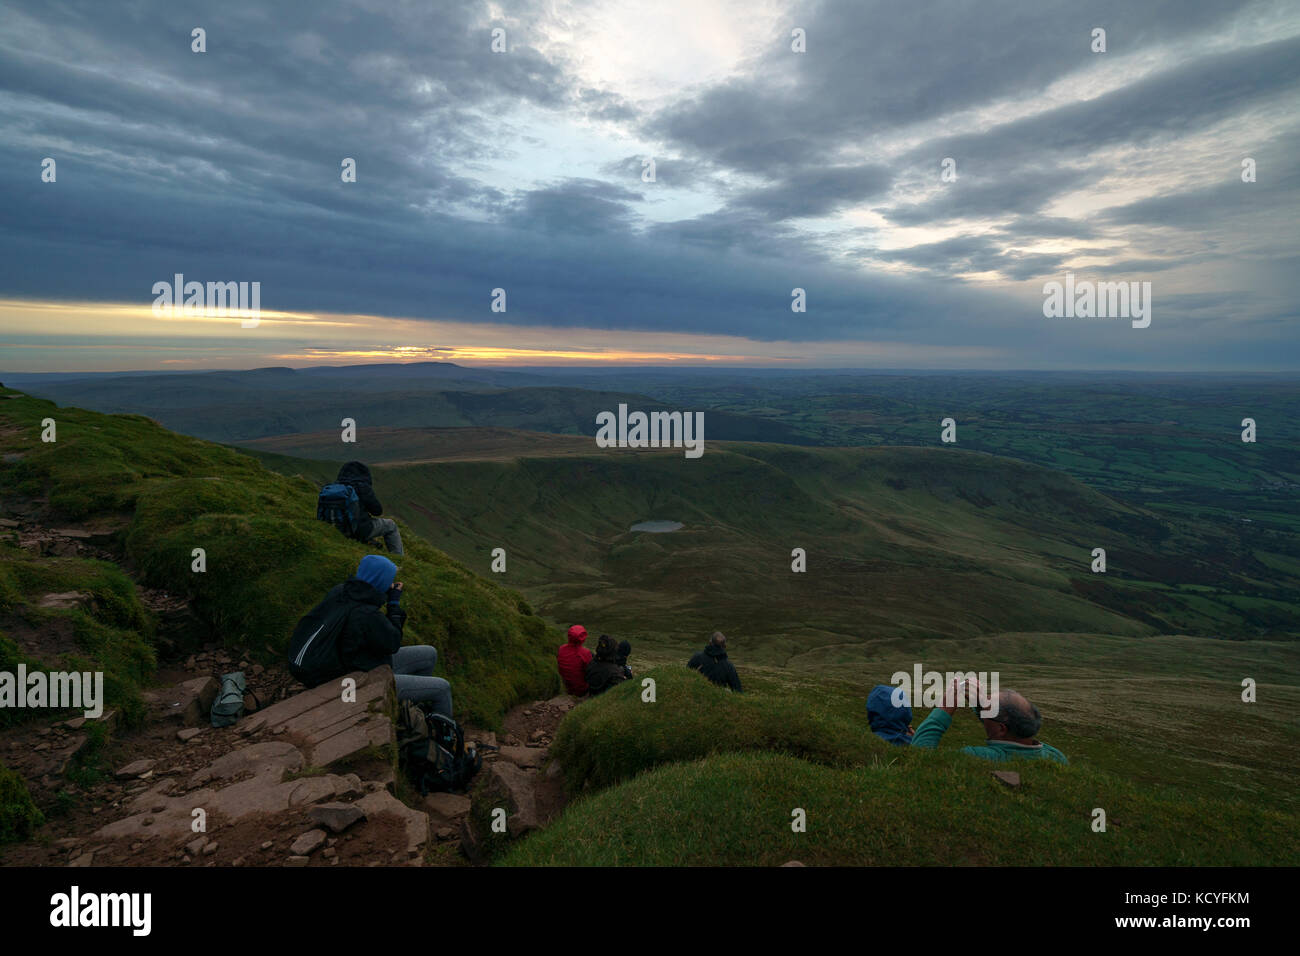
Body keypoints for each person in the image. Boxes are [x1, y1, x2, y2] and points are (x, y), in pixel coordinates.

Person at [298, 554, 453, 716]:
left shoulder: (342, 591)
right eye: (388, 579)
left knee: (429, 654)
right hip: (356, 680)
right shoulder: (366, 614)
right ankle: (443, 739)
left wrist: (380, 595)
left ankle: (407, 712)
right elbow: (392, 643)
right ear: (380, 581)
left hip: (350, 661)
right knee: (442, 688)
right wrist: (393, 605)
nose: (391, 583)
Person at [910, 678, 1067, 764]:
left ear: (1001, 729)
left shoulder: (979, 757)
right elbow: (1003, 727)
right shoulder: (1056, 756)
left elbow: (920, 759)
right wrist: (981, 707)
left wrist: (944, 709)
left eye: (987, 709)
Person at [336, 460, 403, 555]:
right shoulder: (362, 487)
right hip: (357, 530)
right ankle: (398, 557)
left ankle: (366, 541)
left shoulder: (334, 487)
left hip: (336, 527)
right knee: (391, 525)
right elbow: (377, 511)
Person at [557, 624, 593, 696]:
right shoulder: (585, 653)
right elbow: (590, 671)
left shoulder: (561, 649)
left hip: (566, 686)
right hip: (581, 689)